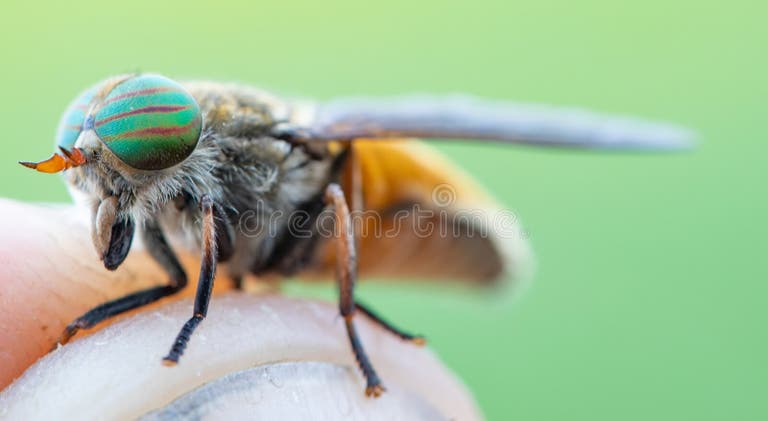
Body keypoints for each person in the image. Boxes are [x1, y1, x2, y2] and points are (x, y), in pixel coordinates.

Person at [0, 199, 480, 419]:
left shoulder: (216, 193)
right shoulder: (165, 199)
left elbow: (332, 193)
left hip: (381, 211)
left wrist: (196, 319)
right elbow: (175, 280)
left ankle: (350, 323)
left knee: (332, 194)